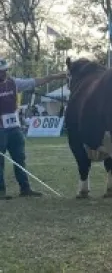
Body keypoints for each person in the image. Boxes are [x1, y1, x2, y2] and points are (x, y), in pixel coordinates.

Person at [0, 58, 67, 199]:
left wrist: (54, 76)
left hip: (14, 129)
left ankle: (25, 189)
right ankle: (1, 192)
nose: (4, 73)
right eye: (2, 71)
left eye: (5, 70)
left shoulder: (14, 83)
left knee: (20, 158)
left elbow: (36, 81)